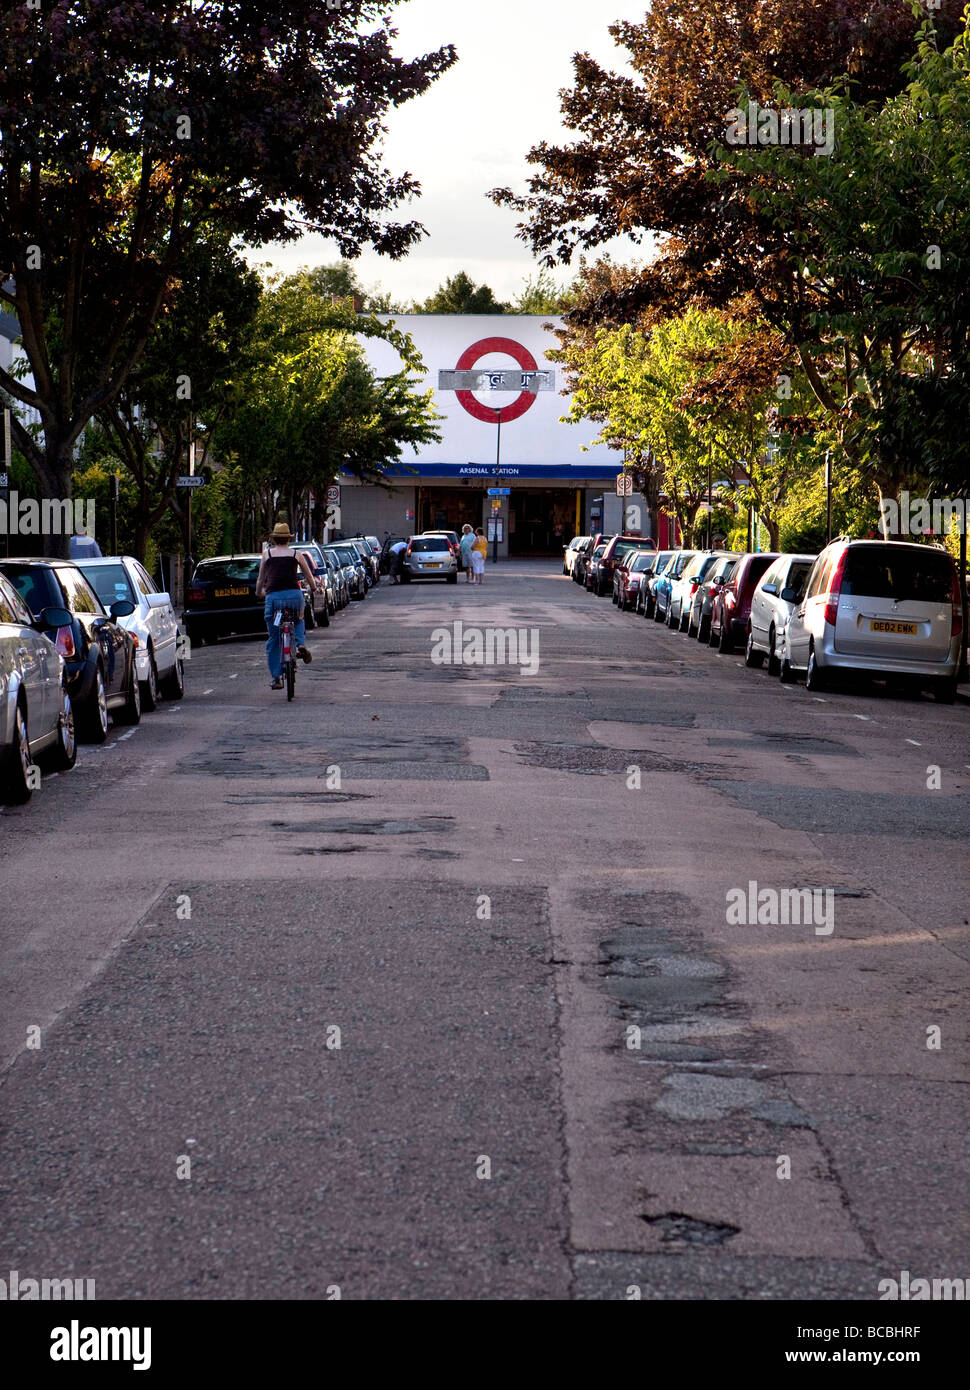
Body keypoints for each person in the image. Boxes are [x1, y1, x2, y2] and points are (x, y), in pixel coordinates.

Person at [256, 522, 319, 689]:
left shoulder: (267, 554)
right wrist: (313, 588)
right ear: (288, 539)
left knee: (274, 637)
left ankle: (276, 677)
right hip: (294, 597)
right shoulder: (297, 554)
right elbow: (308, 575)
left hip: (274, 599)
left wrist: (259, 592)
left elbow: (261, 579)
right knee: (298, 620)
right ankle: (299, 644)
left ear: (274, 539)